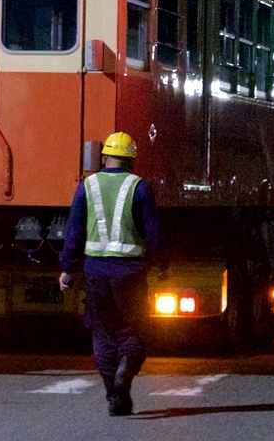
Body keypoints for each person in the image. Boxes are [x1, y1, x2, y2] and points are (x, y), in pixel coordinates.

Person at [59, 132, 168, 417]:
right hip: (130, 273)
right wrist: (161, 264)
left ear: (104, 157)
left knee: (103, 333)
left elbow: (74, 231)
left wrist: (68, 269)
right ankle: (124, 373)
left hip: (95, 272)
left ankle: (113, 395)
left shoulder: (87, 186)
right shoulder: (140, 187)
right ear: (131, 160)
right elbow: (153, 230)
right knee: (134, 331)